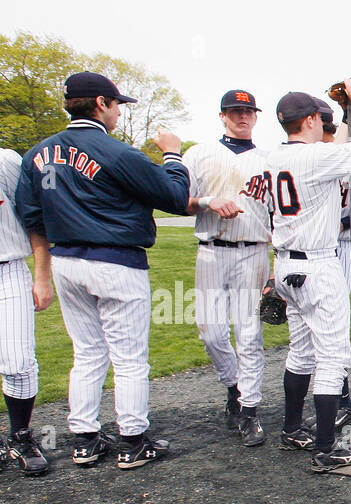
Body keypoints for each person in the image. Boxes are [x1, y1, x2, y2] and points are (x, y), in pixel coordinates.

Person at [15, 71, 191, 470]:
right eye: (115, 105)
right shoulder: (116, 152)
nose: (117, 112)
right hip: (116, 262)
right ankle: (132, 440)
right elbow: (176, 197)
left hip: (65, 262)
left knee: (87, 352)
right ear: (99, 103)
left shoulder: (37, 153)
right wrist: (174, 155)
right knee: (129, 358)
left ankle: (85, 440)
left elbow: (31, 215)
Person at [259, 80, 351, 471]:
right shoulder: (315, 158)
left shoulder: (272, 156)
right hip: (317, 265)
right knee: (333, 357)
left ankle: (292, 428)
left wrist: (345, 112)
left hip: (285, 265)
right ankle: (327, 448)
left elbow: (336, 150)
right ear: (311, 121)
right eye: (320, 119)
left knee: (301, 352)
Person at [181, 89, 272, 447]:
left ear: (256, 116)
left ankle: (249, 411)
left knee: (249, 334)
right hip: (211, 251)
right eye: (235, 111)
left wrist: (277, 265)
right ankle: (235, 387)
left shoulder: (269, 158)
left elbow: (280, 213)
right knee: (211, 333)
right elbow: (177, 200)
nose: (243, 116)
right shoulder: (199, 154)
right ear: (222, 115)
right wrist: (207, 202)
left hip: (254, 252)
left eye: (248, 111)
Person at [1, 147, 47, 475]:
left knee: (18, 363)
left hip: (8, 269)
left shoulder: (6, 160)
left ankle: (21, 436)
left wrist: (42, 276)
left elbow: (33, 215)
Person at [317, 102, 351, 431]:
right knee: (328, 329)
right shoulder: (321, 159)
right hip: (324, 247)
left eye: (331, 131)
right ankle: (337, 394)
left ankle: (341, 395)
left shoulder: (339, 156)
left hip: (344, 245)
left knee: (336, 328)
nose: (328, 136)